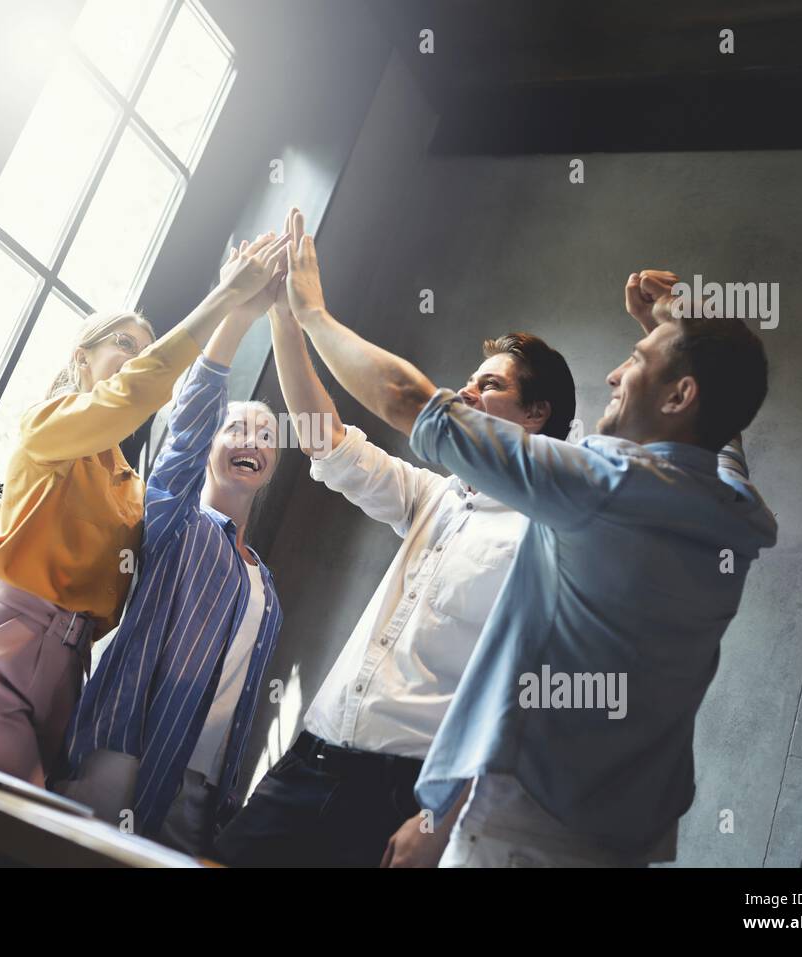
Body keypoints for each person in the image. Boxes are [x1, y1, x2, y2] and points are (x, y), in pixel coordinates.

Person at [280, 208, 777, 866]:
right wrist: (681, 338)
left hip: (518, 831)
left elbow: (408, 398)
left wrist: (312, 312)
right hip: (617, 840)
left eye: (633, 359)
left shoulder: (598, 488)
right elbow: (720, 434)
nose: (615, 374)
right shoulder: (737, 516)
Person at [214, 208, 578, 867]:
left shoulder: (552, 535)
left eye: (489, 385)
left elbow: (529, 697)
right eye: (469, 378)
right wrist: (283, 315)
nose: (465, 391)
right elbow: (325, 438)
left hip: (397, 795)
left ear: (537, 414)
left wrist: (441, 816)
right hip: (311, 755)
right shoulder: (432, 494)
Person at [0, 231, 288, 788]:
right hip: (3, 642)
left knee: (18, 833)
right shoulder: (47, 427)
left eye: (144, 349)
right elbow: (130, 395)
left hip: (74, 668)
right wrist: (224, 301)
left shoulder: (130, 486)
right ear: (82, 359)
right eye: (125, 345)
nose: (138, 359)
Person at [56, 245, 286, 858]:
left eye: (266, 436)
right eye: (236, 428)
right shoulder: (173, 519)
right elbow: (187, 428)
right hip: (126, 754)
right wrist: (236, 314)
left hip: (201, 792)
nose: (252, 441)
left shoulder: (265, 584)